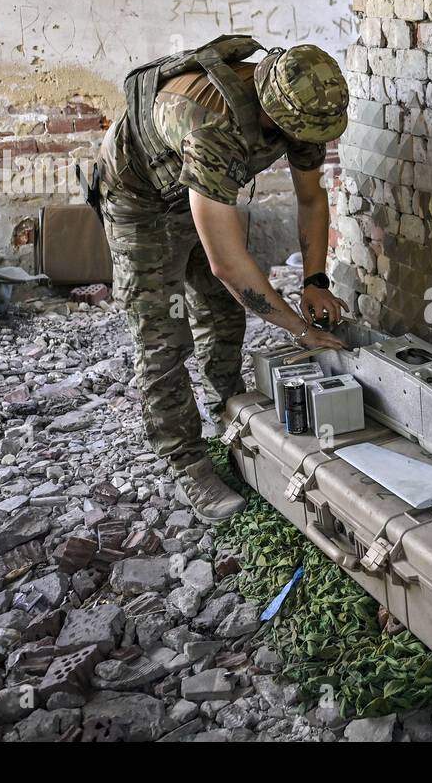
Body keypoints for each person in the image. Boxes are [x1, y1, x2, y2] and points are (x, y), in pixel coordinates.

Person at [97, 37, 348, 524]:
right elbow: (228, 265)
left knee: (222, 314)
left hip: (200, 190)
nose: (305, 141)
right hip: (140, 203)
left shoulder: (303, 104)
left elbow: (313, 199)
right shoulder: (212, 125)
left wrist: (315, 279)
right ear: (271, 108)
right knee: (162, 338)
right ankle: (186, 460)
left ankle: (228, 417)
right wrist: (297, 328)